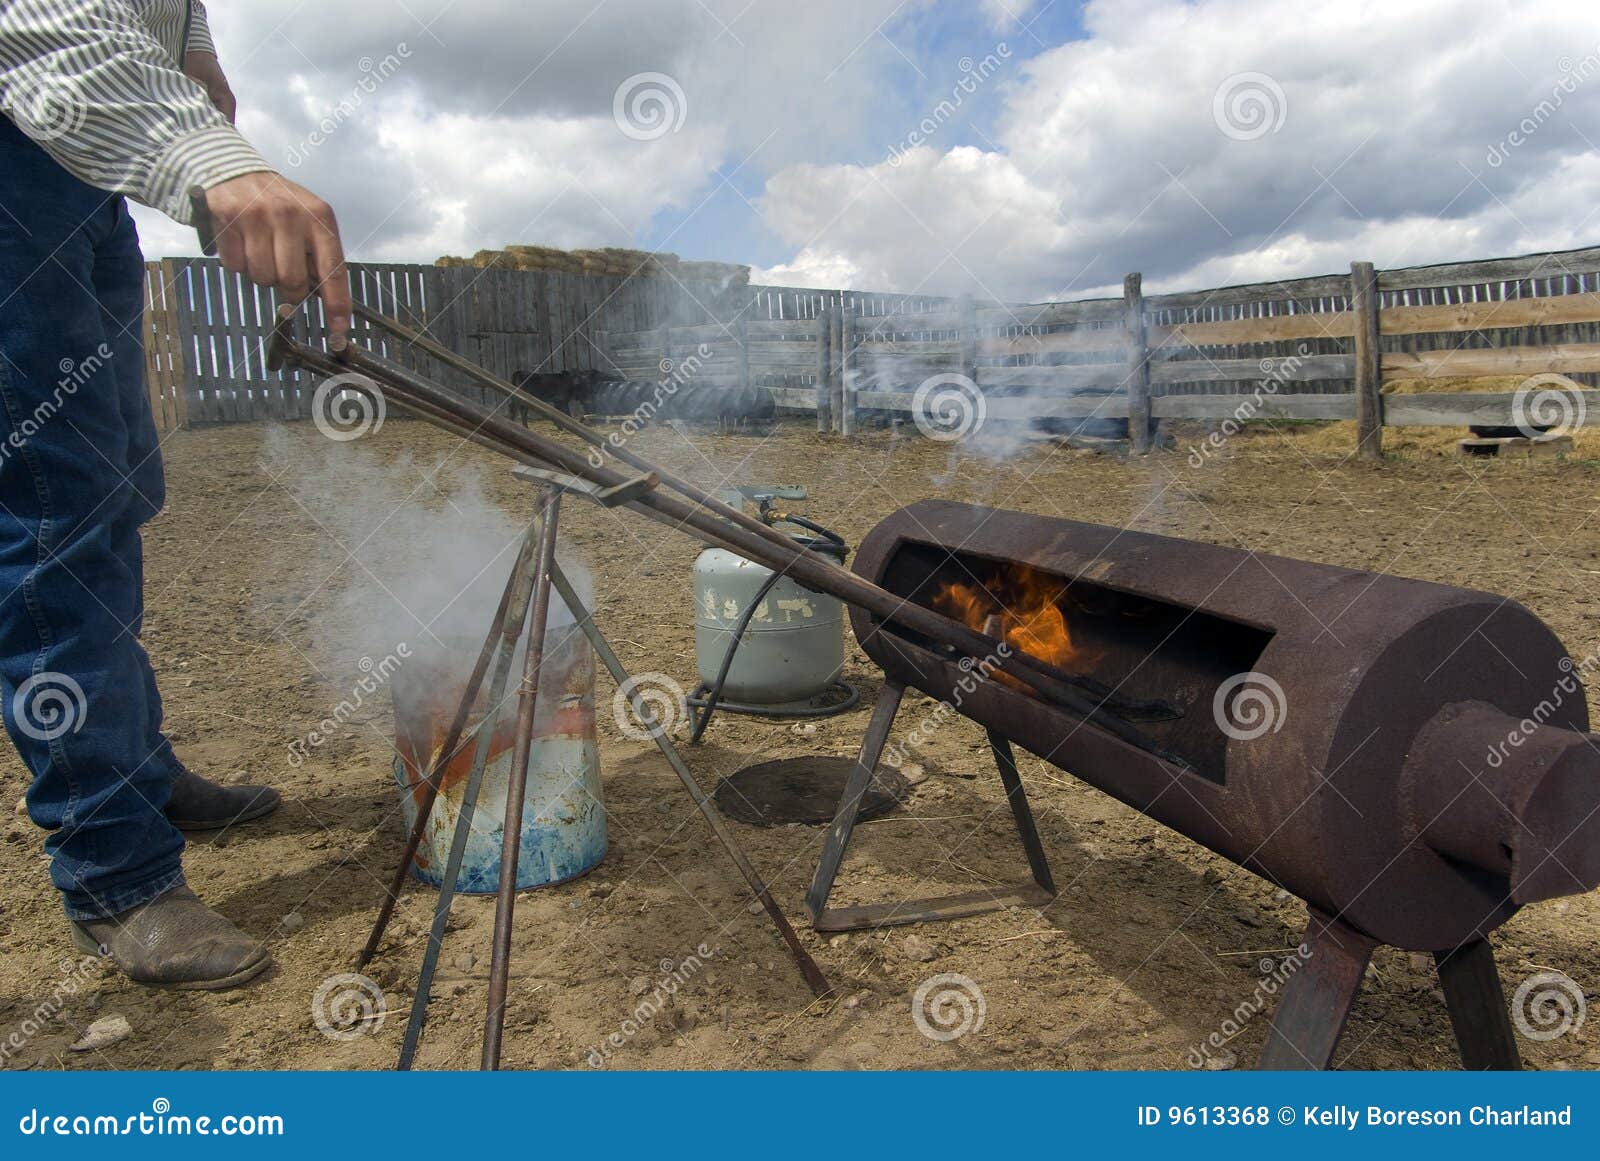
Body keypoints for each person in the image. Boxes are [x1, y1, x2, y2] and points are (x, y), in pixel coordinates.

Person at [0, 0, 353, 990]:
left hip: (81, 181)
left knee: (115, 488)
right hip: (12, 156)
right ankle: (117, 875)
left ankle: (134, 776)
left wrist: (201, 91)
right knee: (49, 514)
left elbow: (178, 47)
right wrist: (208, 153)